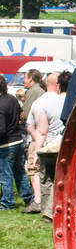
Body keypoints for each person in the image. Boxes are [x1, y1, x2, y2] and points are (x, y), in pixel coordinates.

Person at [30, 70, 69, 219]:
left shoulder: (46, 102)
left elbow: (42, 131)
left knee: (47, 179)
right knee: (64, 179)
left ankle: (48, 211)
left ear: (58, 85)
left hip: (51, 146)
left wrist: (36, 153)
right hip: (68, 146)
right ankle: (62, 209)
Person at [0, 75, 37, 211]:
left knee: (6, 174)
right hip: (18, 139)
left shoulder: (1, 104)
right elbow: (20, 116)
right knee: (19, 172)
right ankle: (28, 198)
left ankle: (7, 203)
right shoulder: (12, 99)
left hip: (6, 144)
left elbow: (1, 129)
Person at [22, 68, 45, 205]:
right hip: (42, 133)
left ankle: (37, 200)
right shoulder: (41, 90)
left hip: (35, 134)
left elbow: (26, 114)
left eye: (25, 77)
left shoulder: (33, 91)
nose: (24, 80)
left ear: (31, 79)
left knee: (33, 167)